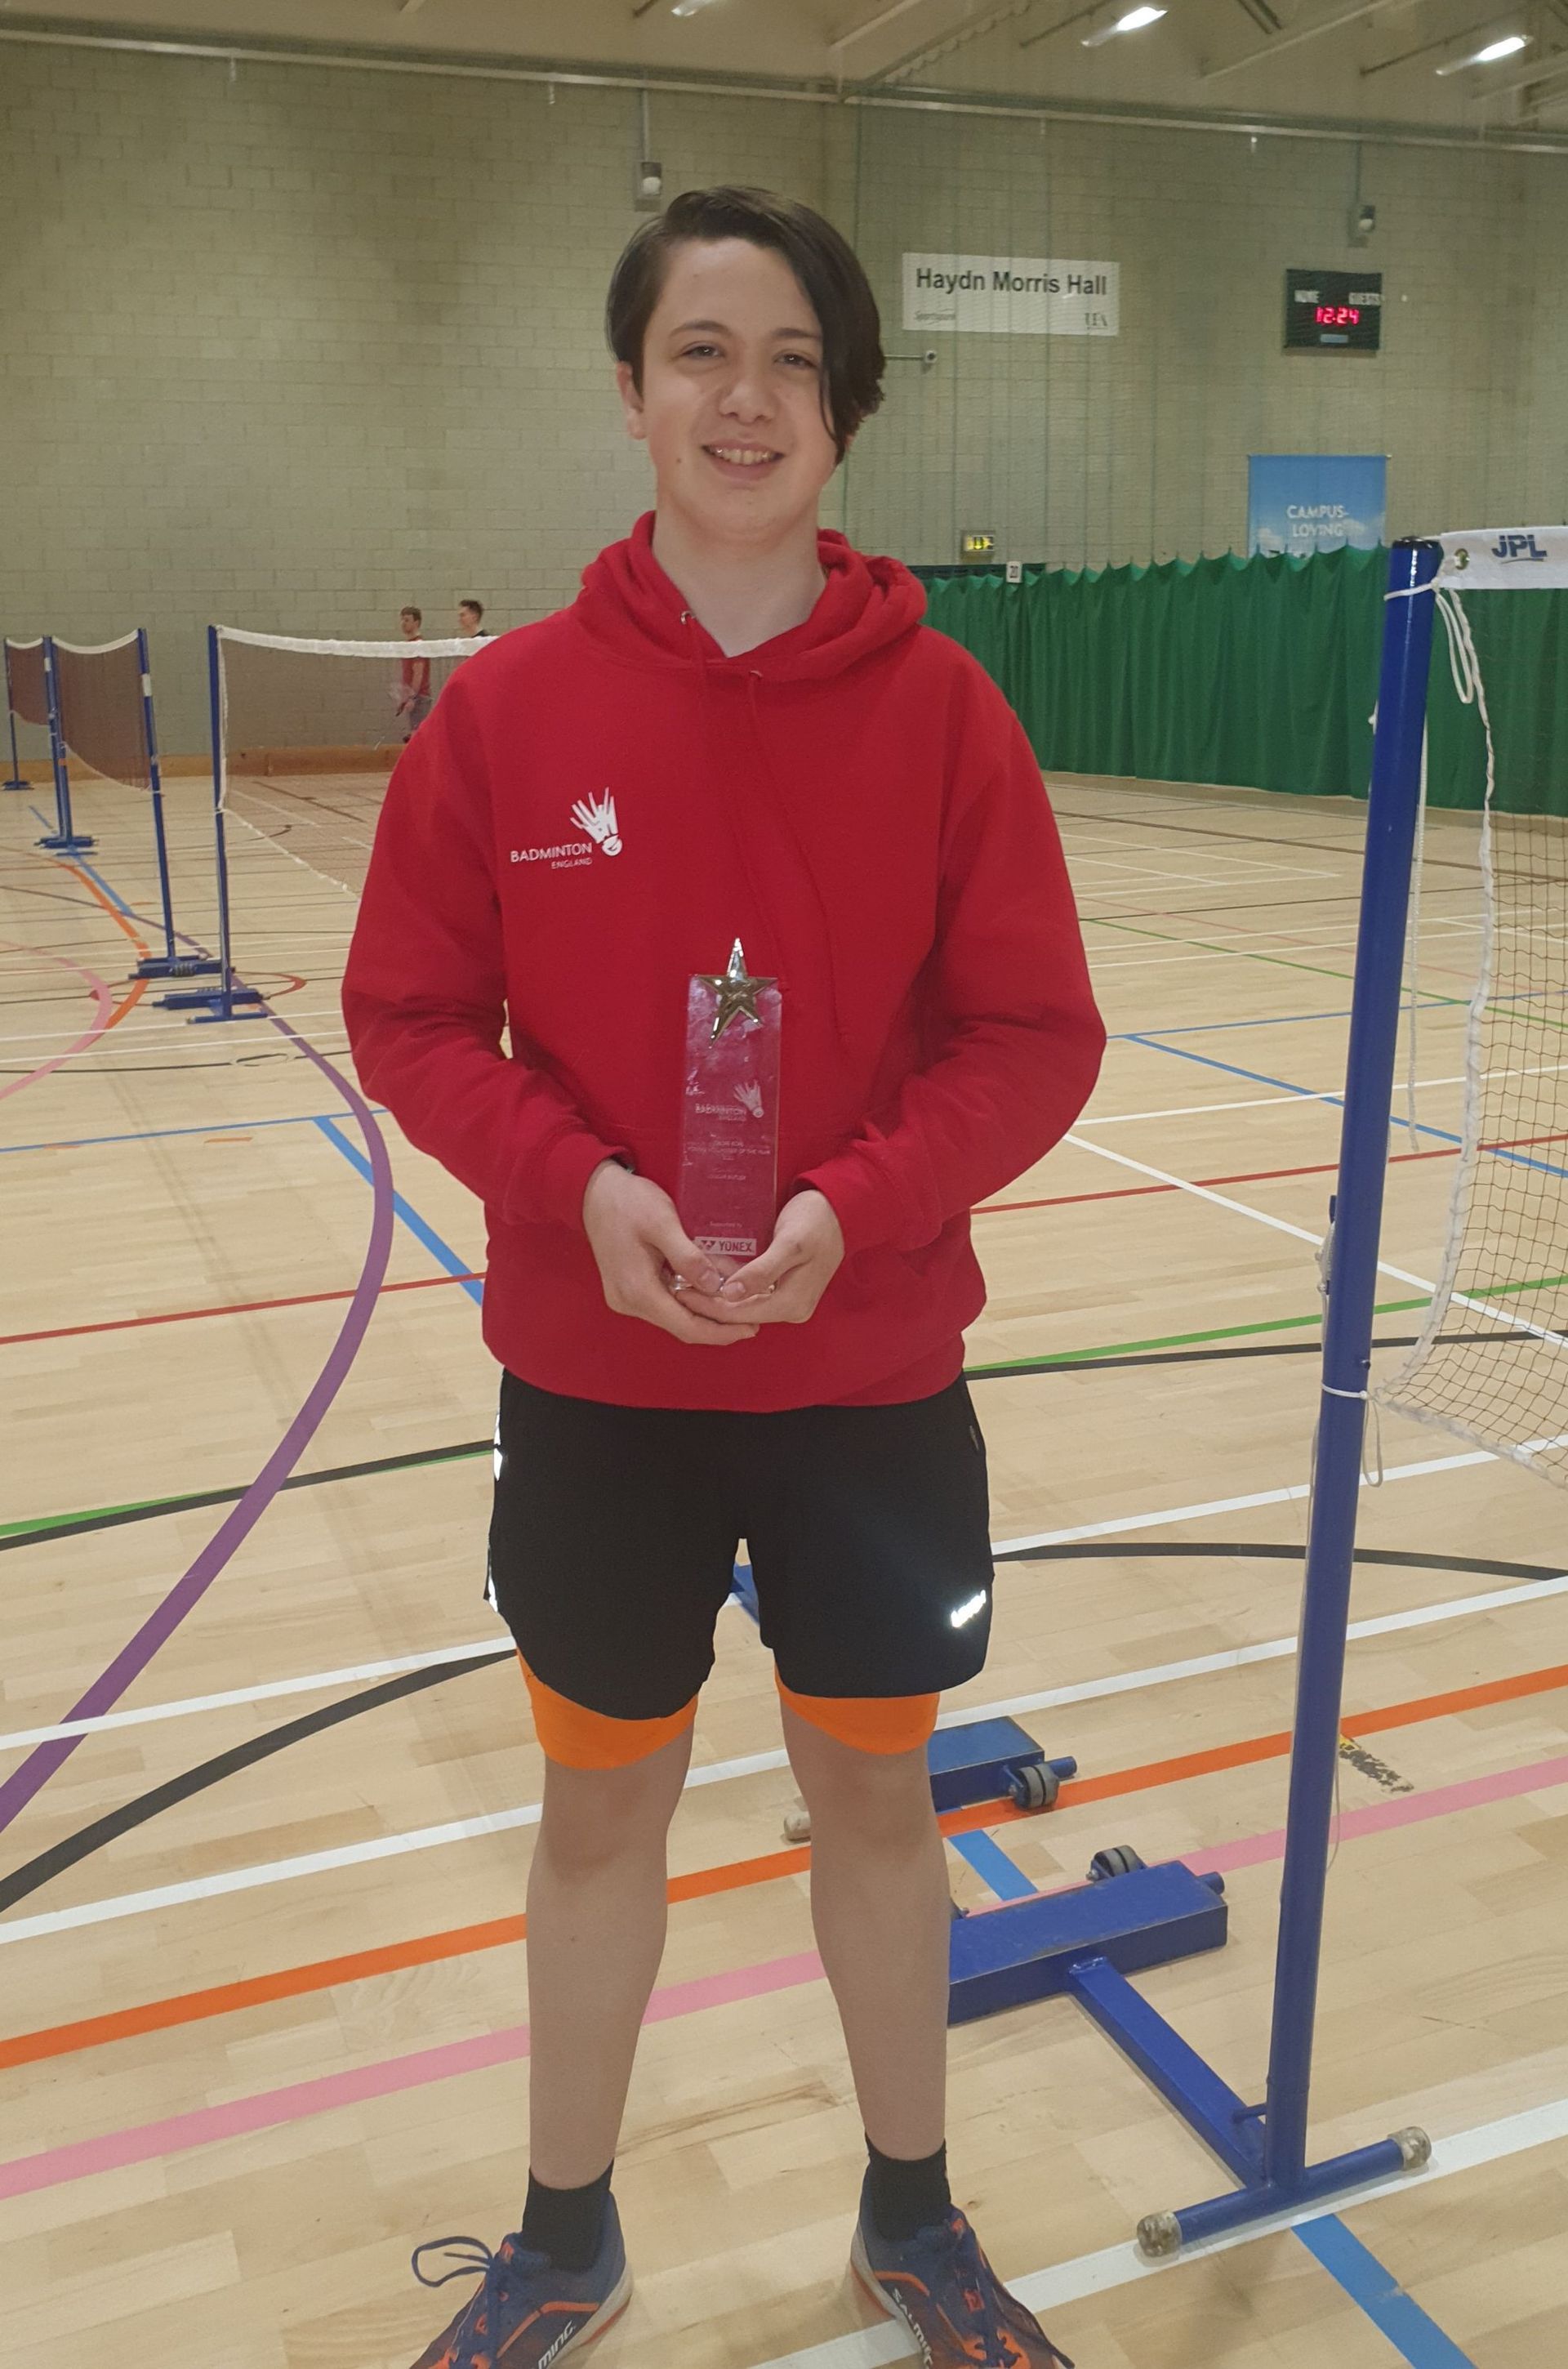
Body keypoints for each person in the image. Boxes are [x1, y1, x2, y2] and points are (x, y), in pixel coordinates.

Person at [344, 185, 1102, 2369]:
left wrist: (848, 1209)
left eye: (789, 358)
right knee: (604, 1809)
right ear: (632, 391)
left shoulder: (949, 713)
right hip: (599, 1388)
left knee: (875, 1788)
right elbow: (406, 1015)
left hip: (865, 1382)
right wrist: (577, 1190)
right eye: (702, 351)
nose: (744, 395)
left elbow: (1038, 1036)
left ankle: (914, 2213)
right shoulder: (511, 715)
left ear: (842, 410)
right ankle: (562, 2234)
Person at [394, 605, 431, 742]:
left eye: (407, 620)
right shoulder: (408, 644)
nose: (403, 623)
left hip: (420, 698)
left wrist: (412, 698)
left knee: (417, 737)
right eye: (402, 620)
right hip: (413, 697)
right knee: (414, 735)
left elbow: (418, 674)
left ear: (416, 623)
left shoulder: (418, 645)